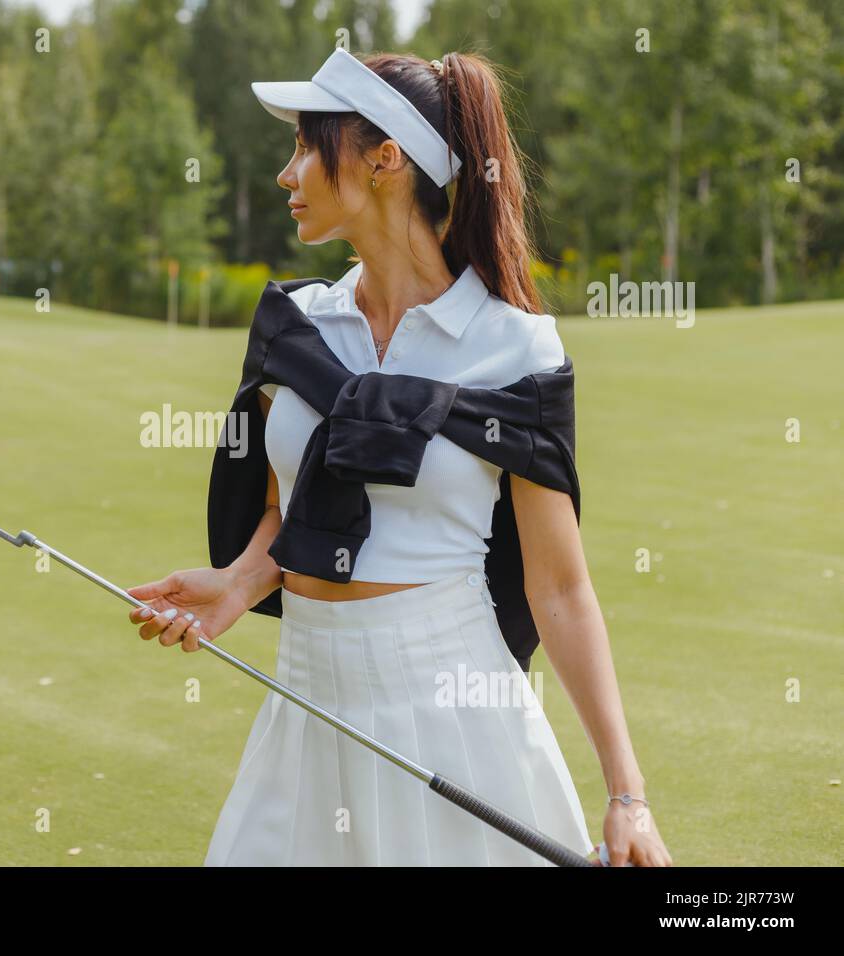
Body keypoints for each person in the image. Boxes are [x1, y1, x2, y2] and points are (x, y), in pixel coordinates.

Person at [126, 49, 673, 867]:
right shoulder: (299, 324)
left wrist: (627, 795)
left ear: (385, 160)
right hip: (306, 699)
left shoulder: (512, 346)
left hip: (451, 709)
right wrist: (240, 580)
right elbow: (292, 505)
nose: (288, 172)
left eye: (309, 146)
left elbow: (559, 588)